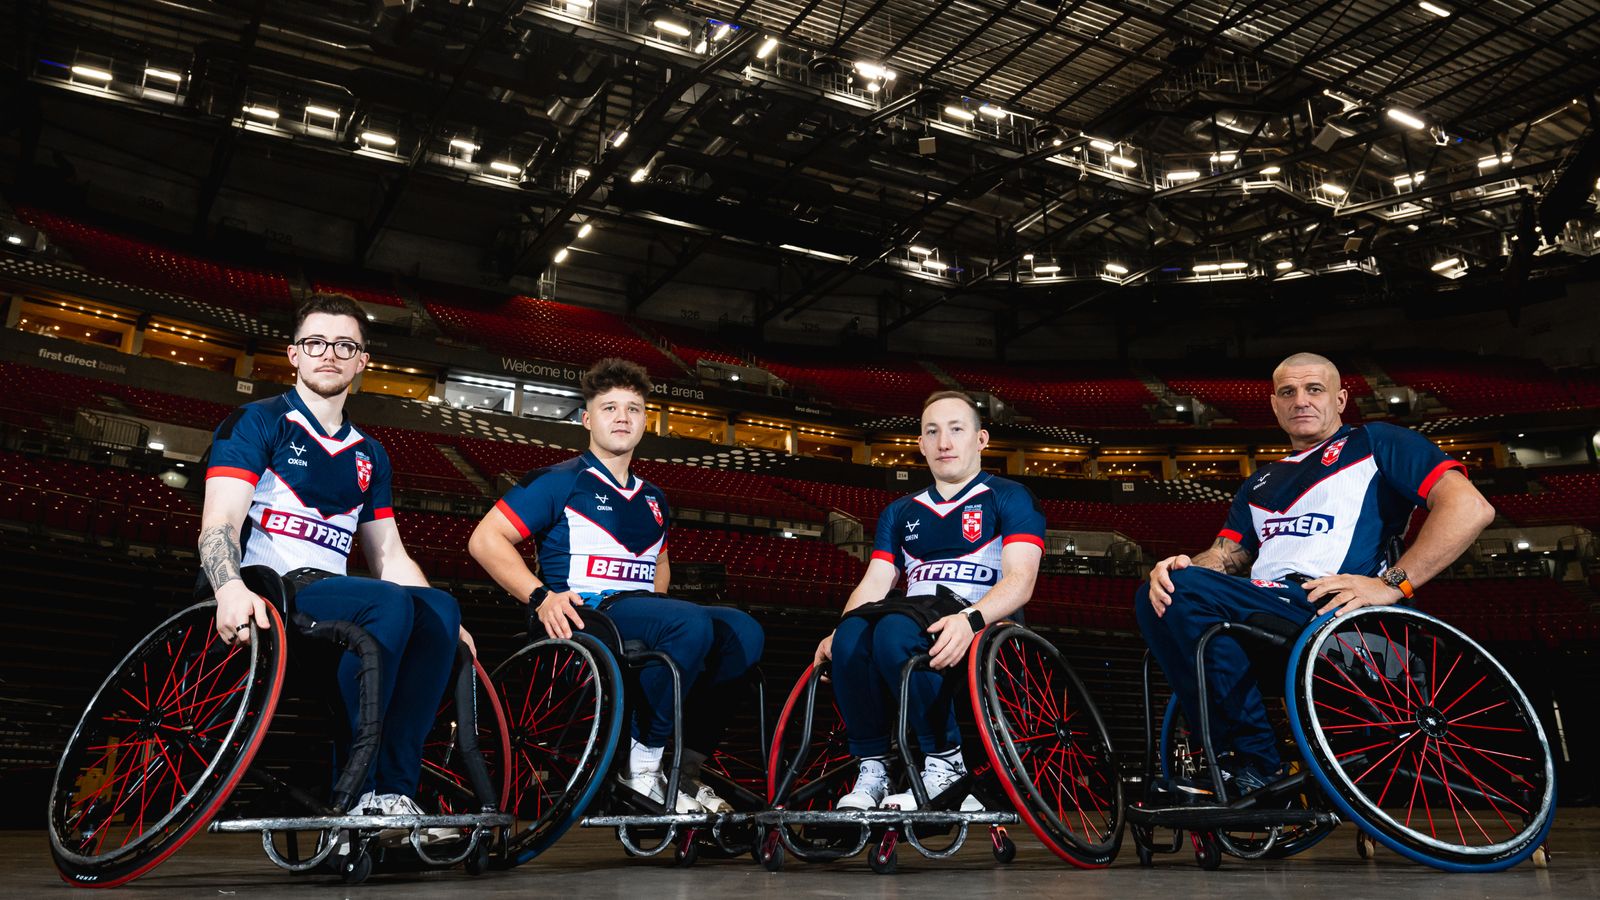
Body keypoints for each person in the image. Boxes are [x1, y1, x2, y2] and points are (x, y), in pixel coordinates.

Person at [1136, 352, 1495, 793]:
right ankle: (1227, 762)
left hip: (1335, 612)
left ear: (1341, 398)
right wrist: (1178, 566)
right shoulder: (1261, 482)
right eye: (1288, 392)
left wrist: (1392, 584)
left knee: (1187, 591)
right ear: (1273, 405)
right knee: (1164, 590)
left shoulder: (1377, 441)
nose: (1300, 400)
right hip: (1271, 607)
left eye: (1314, 389)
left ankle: (1255, 762)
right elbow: (1225, 556)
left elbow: (1470, 507)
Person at [201, 293, 473, 836]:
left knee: (438, 608)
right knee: (389, 602)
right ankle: (361, 791)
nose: (330, 353)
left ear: (362, 362)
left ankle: (394, 794)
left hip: (337, 593)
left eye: (345, 345)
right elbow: (220, 525)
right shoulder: (258, 421)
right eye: (316, 343)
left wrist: (450, 626)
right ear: (294, 354)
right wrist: (227, 587)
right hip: (270, 589)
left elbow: (389, 553)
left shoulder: (371, 453)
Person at [468, 357, 764, 813]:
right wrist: (540, 595)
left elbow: (659, 564)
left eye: (633, 408)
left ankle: (680, 770)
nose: (622, 416)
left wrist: (662, 613)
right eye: (609, 408)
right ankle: (641, 768)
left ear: (646, 420)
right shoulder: (559, 480)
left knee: (744, 631)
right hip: (587, 618)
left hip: (638, 612)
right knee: (688, 625)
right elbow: (486, 540)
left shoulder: (654, 497)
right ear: (587, 419)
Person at [814, 391, 1045, 811]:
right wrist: (837, 629)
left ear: (981, 440)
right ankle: (873, 769)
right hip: (911, 613)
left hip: (973, 617)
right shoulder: (900, 511)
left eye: (957, 430)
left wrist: (971, 619)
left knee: (893, 633)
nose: (944, 442)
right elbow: (876, 582)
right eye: (932, 432)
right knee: (850, 637)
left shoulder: (1009, 496)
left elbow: (1020, 580)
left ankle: (944, 764)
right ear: (920, 444)